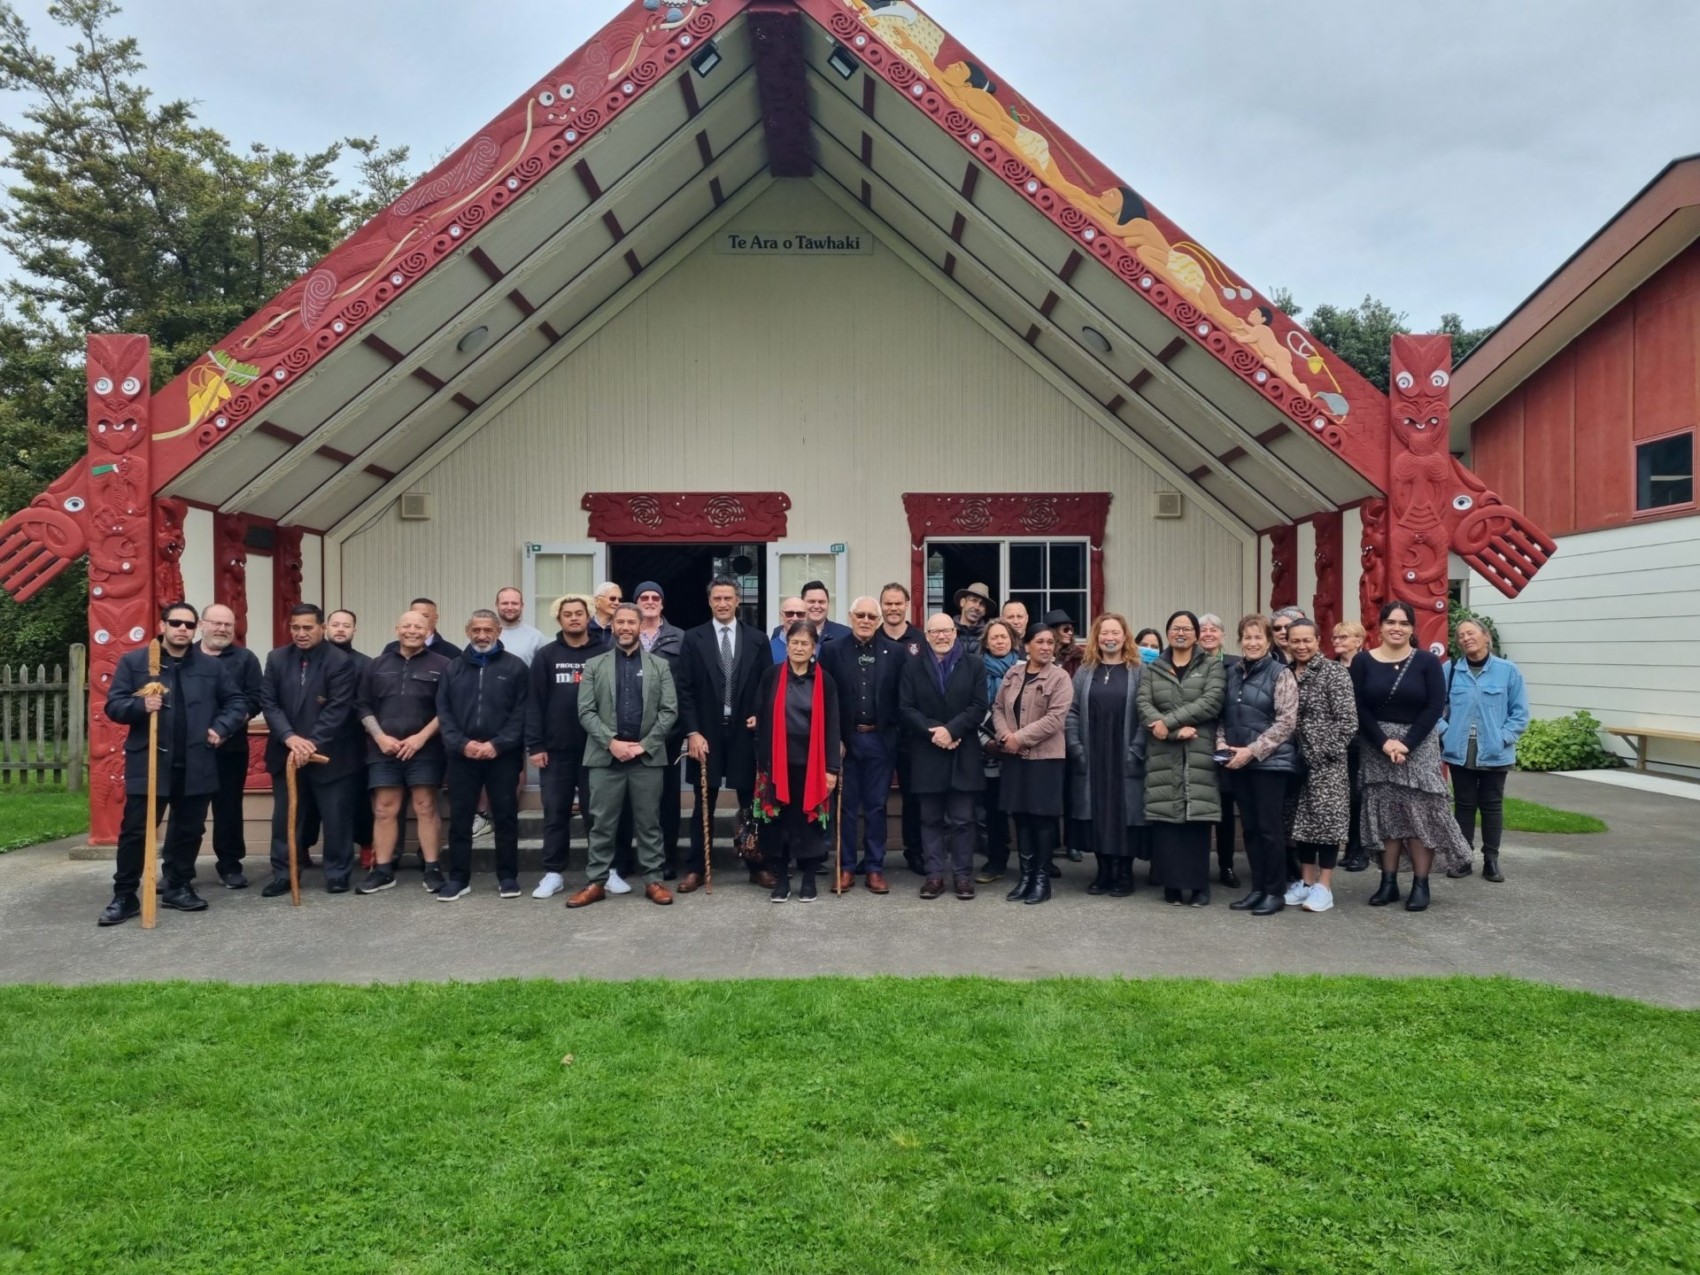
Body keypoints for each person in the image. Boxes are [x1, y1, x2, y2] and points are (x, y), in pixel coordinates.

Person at [97, 602, 248, 925]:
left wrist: (221, 728)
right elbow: (114, 706)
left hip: (197, 762)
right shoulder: (137, 662)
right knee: (136, 831)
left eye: (189, 625)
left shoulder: (211, 667)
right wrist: (140, 705)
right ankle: (124, 895)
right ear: (163, 626)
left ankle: (178, 885)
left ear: (196, 630)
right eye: (176, 623)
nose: (182, 629)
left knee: (189, 829)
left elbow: (237, 702)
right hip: (149, 762)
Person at [1350, 600, 1472, 911]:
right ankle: (1388, 882)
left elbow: (1435, 706)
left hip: (1418, 744)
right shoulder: (1363, 662)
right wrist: (1384, 743)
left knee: (1421, 815)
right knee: (1387, 813)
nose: (1397, 628)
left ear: (1411, 628)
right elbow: (1359, 706)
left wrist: (1406, 743)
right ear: (1380, 626)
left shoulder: (1426, 663)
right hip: (1376, 745)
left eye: (1404, 623)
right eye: (1391, 622)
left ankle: (1421, 884)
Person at [567, 603, 678, 908]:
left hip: (646, 758)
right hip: (605, 757)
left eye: (632, 622)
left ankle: (653, 880)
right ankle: (596, 881)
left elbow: (669, 711)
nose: (626, 627)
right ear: (612, 626)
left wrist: (645, 744)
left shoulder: (660, 666)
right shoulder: (594, 665)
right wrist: (611, 742)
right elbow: (585, 710)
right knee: (601, 822)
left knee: (649, 823)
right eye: (620, 622)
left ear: (641, 626)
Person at [678, 577, 772, 893]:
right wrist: (692, 732)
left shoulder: (758, 639)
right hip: (706, 734)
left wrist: (760, 714)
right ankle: (696, 868)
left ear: (737, 600)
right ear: (710, 601)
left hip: (745, 734)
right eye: (716, 598)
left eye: (728, 598)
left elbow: (767, 686)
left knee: (750, 803)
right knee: (704, 803)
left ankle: (756, 863)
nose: (722, 603)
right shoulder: (693, 639)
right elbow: (685, 690)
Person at [260, 604, 362, 896]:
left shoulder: (340, 661)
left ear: (322, 628)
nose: (301, 634)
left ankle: (337, 872)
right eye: (295, 628)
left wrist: (310, 743)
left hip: (331, 754)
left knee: (336, 818)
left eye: (307, 627)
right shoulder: (277, 658)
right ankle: (284, 872)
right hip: (287, 752)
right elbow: (270, 703)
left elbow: (338, 709)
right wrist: (291, 738)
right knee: (285, 818)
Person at [434, 610, 529, 900]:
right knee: (461, 818)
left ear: (498, 631)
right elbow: (444, 711)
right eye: (476, 630)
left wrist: (498, 744)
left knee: (505, 816)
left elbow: (522, 711)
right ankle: (459, 878)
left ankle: (508, 877)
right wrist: (462, 744)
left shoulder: (515, 667)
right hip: (462, 756)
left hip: (502, 756)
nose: (482, 635)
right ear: (467, 631)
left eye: (488, 629)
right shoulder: (453, 669)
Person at [355, 610, 451, 894]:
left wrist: (421, 738)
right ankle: (383, 870)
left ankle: (432, 868)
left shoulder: (444, 665)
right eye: (406, 625)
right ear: (396, 629)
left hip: (426, 749)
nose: (412, 630)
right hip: (384, 749)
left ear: (429, 629)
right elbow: (361, 705)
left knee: (426, 807)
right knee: (385, 809)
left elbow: (448, 708)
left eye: (418, 626)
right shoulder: (376, 665)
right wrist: (379, 736)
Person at [1138, 610, 1225, 907]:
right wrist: (1172, 731)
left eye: (1187, 629)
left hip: (1199, 751)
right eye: (1175, 628)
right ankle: (1172, 885)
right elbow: (1144, 705)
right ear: (1168, 632)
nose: (1181, 633)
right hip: (1164, 751)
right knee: (1168, 822)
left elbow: (1211, 701)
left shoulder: (1211, 665)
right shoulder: (1153, 669)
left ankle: (1199, 885)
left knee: (1197, 821)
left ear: (1196, 635)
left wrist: (1168, 721)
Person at [528, 594, 612, 899]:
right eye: (567, 614)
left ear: (588, 615)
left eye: (579, 613)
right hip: (556, 750)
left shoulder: (605, 652)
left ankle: (603, 871)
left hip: (597, 749)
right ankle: (553, 873)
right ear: (559, 619)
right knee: (555, 812)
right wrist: (535, 745)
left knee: (598, 813)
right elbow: (534, 703)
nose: (574, 618)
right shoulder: (546, 656)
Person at [820, 595, 906, 893]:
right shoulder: (831, 651)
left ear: (879, 620)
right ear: (850, 616)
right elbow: (825, 700)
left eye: (872, 616)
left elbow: (902, 697)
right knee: (845, 807)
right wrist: (835, 740)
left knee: (876, 806)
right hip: (846, 740)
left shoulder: (895, 652)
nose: (866, 620)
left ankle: (874, 868)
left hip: (880, 741)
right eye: (861, 615)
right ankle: (844, 868)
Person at [899, 614, 988, 900]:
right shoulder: (912, 667)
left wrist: (952, 730)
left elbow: (978, 706)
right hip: (927, 751)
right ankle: (934, 876)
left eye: (946, 630)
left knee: (963, 819)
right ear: (926, 635)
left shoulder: (974, 665)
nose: (941, 636)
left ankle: (962, 876)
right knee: (930, 818)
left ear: (955, 633)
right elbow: (906, 707)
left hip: (964, 751)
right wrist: (934, 733)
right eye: (935, 631)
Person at [1217, 615, 1299, 916]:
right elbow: (1224, 716)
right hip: (1237, 761)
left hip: (1269, 763)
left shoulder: (1281, 673)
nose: (1252, 643)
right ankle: (1258, 888)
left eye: (1258, 638)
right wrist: (1222, 747)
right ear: (1240, 641)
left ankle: (1275, 891)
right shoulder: (1233, 672)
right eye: (1247, 638)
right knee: (1250, 829)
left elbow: (1286, 721)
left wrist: (1251, 751)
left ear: (1268, 641)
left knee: (1268, 829)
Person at [753, 621, 842, 901]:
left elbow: (832, 726)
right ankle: (781, 880)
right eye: (795, 643)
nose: (799, 648)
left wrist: (831, 769)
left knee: (809, 824)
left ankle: (808, 881)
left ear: (814, 647)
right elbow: (761, 719)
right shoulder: (771, 675)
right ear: (786, 645)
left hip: (812, 766)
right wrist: (763, 763)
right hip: (778, 765)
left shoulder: (824, 680)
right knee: (777, 822)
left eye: (805, 643)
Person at [1441, 619, 1530, 884]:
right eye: (1460, 635)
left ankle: (1491, 860)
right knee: (1464, 805)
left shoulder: (1507, 671)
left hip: (1495, 750)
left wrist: (1503, 738)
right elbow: (1435, 706)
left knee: (1492, 806)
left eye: (1471, 633)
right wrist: (1445, 732)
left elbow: (1520, 712)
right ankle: (1463, 857)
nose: (1466, 638)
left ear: (1486, 636)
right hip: (1460, 749)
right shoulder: (1451, 670)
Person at [1066, 614, 1147, 898]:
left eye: (1115, 632)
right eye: (1103, 633)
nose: (1109, 638)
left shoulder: (1139, 671)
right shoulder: (1085, 671)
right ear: (1096, 638)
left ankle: (1123, 872)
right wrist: (1075, 747)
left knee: (1124, 811)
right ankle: (1103, 870)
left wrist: (1138, 748)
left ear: (1125, 636)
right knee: (1097, 811)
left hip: (1125, 753)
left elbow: (1147, 713)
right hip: (1093, 753)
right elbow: (1072, 711)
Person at [991, 624, 1073, 905]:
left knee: (1042, 819)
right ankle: (1025, 877)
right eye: (1040, 641)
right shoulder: (1013, 674)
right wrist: (1005, 736)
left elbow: (1055, 719)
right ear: (1027, 646)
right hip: (1015, 759)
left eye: (1050, 642)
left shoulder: (1060, 678)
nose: (1047, 647)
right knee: (1022, 818)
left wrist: (1019, 739)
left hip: (1045, 759)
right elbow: (998, 708)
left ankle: (1041, 879)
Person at [1281, 618, 1357, 913]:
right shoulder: (1285, 673)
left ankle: (1324, 886)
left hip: (1326, 763)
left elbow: (1348, 722)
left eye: (1306, 640)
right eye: (1295, 640)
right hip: (1292, 761)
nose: (1301, 646)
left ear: (1317, 640)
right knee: (1300, 825)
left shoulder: (1333, 673)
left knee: (1326, 826)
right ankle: (1306, 882)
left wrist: (1321, 752)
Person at [196, 603, 261, 890]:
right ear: (202, 624)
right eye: (216, 623)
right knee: (188, 810)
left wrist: (225, 728)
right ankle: (178, 868)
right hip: (191, 749)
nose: (221, 629)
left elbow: (255, 699)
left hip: (231, 747)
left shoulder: (245, 659)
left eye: (227, 625)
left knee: (229, 810)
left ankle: (230, 865)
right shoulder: (186, 654)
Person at [634, 581, 686, 878]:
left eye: (656, 597)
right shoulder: (624, 634)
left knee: (667, 799)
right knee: (632, 798)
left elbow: (685, 685)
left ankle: (667, 858)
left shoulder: (679, 638)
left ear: (663, 604)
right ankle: (632, 859)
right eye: (644, 597)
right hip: (628, 734)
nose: (650, 601)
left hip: (668, 732)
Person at [877, 582, 926, 873]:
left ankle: (915, 851)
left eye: (898, 603)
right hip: (880, 730)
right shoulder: (872, 636)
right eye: (888, 603)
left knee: (914, 795)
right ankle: (874, 855)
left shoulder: (921, 640)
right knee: (876, 796)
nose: (892, 608)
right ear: (881, 605)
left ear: (906, 604)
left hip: (912, 732)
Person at [325, 609, 374, 868]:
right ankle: (301, 849)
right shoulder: (312, 660)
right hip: (316, 741)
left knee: (359, 798)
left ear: (355, 630)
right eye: (336, 624)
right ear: (326, 627)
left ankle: (366, 845)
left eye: (346, 625)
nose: (341, 629)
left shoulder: (366, 664)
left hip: (353, 740)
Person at [973, 619, 1021, 883]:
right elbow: (971, 707)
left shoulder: (1025, 668)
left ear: (1013, 640)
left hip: (1021, 748)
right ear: (986, 642)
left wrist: (1015, 740)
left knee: (1025, 810)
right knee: (993, 810)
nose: (1000, 641)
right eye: (994, 637)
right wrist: (986, 742)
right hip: (987, 749)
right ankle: (996, 861)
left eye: (1004, 637)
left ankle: (1035, 862)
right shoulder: (975, 670)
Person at [1196, 613, 1242, 889]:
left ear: (1223, 636)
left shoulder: (1236, 665)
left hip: (1228, 744)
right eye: (1203, 629)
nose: (1209, 634)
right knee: (1200, 810)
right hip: (1197, 742)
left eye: (1214, 629)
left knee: (1225, 809)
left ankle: (1226, 865)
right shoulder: (1190, 663)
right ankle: (1197, 866)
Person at [1333, 620, 1370, 872]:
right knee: (1346, 797)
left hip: (1362, 740)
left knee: (1359, 796)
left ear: (1359, 641)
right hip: (1338, 742)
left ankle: (1361, 850)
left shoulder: (1368, 666)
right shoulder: (1331, 668)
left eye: (1343, 637)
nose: (1337, 641)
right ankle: (1348, 848)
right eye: (1335, 637)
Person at [382, 597, 462, 660]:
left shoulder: (451, 652)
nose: (419, 619)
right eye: (415, 614)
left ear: (436, 618)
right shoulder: (391, 648)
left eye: (425, 616)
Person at [494, 586, 547, 666]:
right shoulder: (486, 635)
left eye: (514, 603)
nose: (510, 607)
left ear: (521, 606)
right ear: (497, 605)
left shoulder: (536, 637)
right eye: (505, 603)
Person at [800, 579, 852, 645]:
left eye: (821, 602)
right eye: (811, 601)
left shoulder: (846, 635)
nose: (816, 606)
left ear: (828, 604)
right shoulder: (789, 633)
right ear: (801, 603)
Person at [953, 582, 993, 655]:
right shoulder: (948, 631)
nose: (977, 607)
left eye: (982, 604)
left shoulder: (989, 635)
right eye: (974, 600)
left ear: (985, 611)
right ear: (962, 602)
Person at [1043, 609, 1084, 678]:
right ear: (1053, 631)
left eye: (1071, 629)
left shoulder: (1078, 656)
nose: (1070, 633)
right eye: (1066, 629)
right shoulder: (1042, 654)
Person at [770, 596, 809, 664]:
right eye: (789, 613)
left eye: (800, 614)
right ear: (781, 615)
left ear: (806, 616)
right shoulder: (768, 648)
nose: (795, 618)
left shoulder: (817, 649)